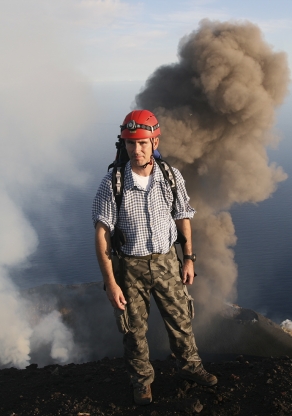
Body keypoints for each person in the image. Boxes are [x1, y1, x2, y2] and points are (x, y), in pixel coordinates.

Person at [92, 109, 217, 405]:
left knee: (181, 318)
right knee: (134, 330)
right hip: (130, 267)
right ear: (123, 144)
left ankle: (190, 367)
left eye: (142, 143)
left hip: (166, 262)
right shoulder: (112, 183)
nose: (136, 150)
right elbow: (102, 234)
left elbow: (183, 216)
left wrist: (189, 259)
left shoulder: (171, 177)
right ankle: (142, 382)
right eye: (130, 143)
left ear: (155, 142)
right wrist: (111, 283)